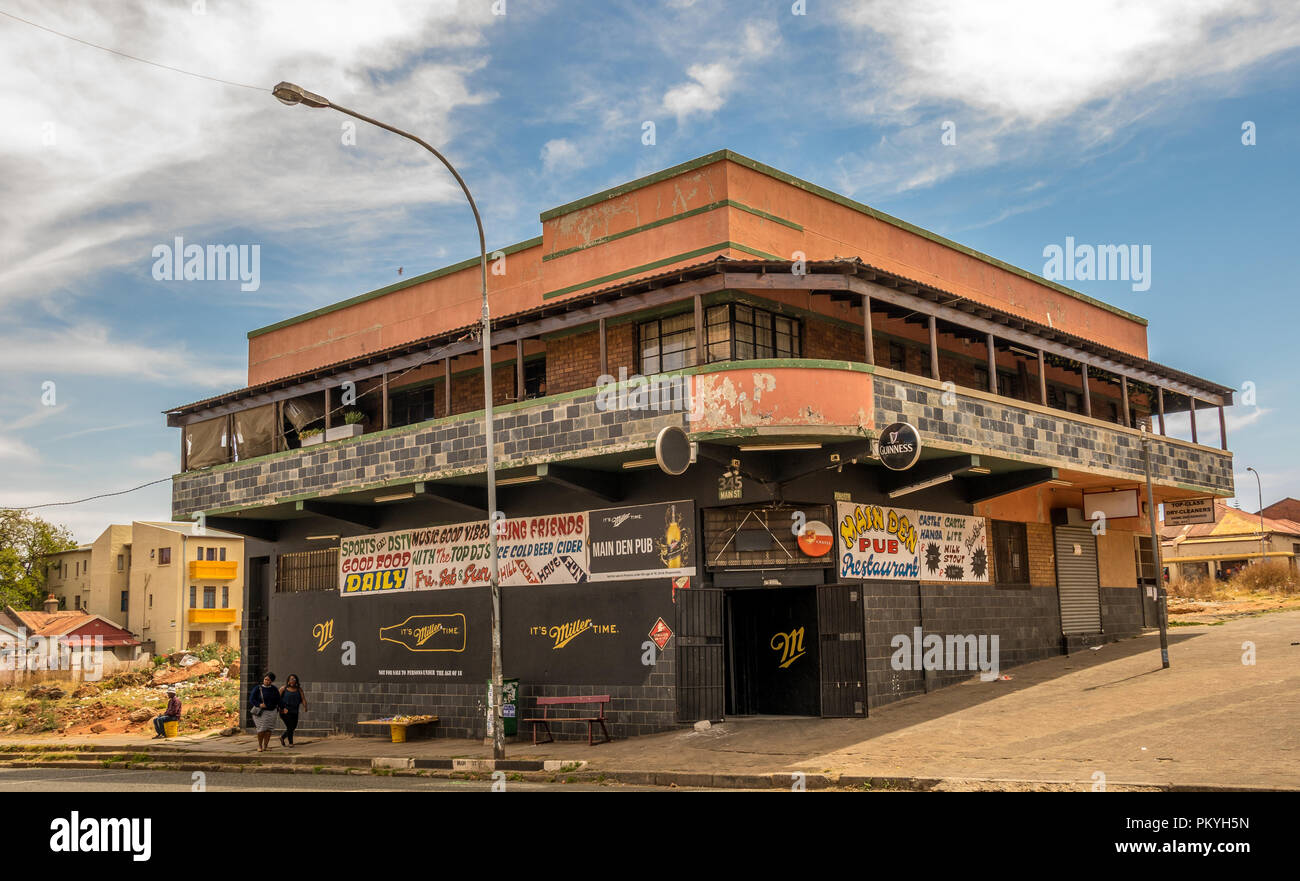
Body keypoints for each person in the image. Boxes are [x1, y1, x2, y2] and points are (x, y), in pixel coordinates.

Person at [249, 672, 281, 751]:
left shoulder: (274, 689)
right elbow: (251, 699)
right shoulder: (258, 688)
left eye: (269, 680)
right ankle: (260, 746)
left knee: (269, 729)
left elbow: (279, 700)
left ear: (272, 681)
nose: (266, 681)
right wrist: (259, 704)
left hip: (272, 712)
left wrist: (283, 708)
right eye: (265, 679)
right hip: (260, 712)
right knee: (261, 729)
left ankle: (265, 746)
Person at [279, 674, 307, 747]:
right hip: (285, 711)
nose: (292, 680)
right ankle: (291, 743)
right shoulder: (283, 689)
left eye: (294, 679)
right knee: (290, 727)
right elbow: (277, 700)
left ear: (296, 681)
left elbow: (303, 699)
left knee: (293, 727)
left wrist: (305, 707)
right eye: (291, 679)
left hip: (294, 711)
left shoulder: (299, 689)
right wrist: (281, 709)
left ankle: (282, 737)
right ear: (288, 681)